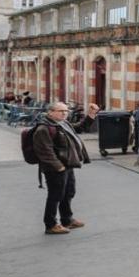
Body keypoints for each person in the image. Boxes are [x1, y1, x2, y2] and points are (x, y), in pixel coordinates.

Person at [31, 100, 101, 234]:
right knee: (55, 195)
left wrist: (91, 114)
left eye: (66, 111)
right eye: (61, 111)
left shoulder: (63, 124)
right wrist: (59, 167)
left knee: (68, 192)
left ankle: (67, 220)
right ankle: (50, 224)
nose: (65, 113)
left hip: (68, 165)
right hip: (56, 168)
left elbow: (80, 128)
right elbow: (45, 151)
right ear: (50, 112)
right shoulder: (44, 128)